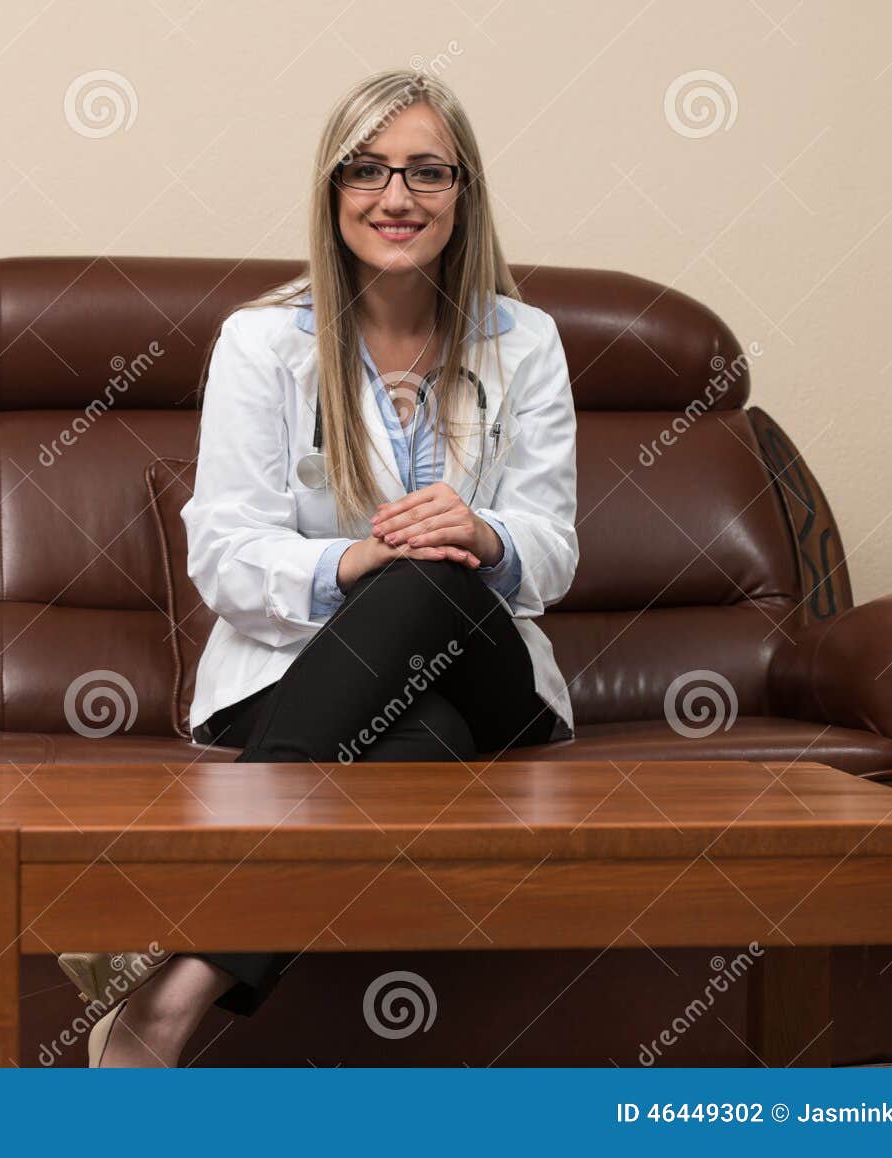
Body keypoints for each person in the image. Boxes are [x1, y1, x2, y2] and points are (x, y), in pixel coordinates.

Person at [62, 66, 578, 1067]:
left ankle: (167, 918)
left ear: (463, 194)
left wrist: (483, 537)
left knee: (437, 580)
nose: (397, 198)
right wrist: (356, 559)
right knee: (419, 740)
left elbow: (552, 550)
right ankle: (160, 1018)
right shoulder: (262, 344)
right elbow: (223, 556)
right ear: (332, 192)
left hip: (493, 672)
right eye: (368, 172)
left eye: (428, 172)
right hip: (294, 681)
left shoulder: (529, 341)